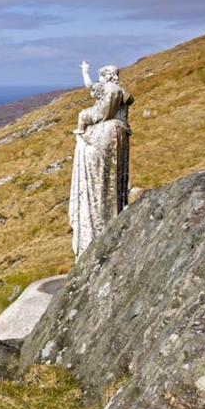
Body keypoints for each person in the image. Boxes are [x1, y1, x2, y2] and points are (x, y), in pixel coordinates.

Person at [69, 61, 134, 260]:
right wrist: (85, 73)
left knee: (101, 184)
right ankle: (105, 225)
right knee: (111, 185)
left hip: (105, 137)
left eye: (102, 76)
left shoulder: (111, 91)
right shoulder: (118, 90)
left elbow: (101, 113)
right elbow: (93, 87)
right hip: (117, 135)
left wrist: (85, 120)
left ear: (107, 76)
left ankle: (96, 231)